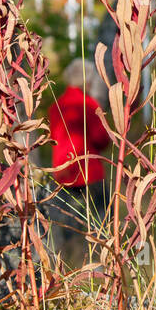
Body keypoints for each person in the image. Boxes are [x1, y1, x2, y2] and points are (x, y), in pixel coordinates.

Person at [43, 59, 112, 263]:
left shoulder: (56, 106)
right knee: (100, 225)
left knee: (63, 225)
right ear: (87, 81)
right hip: (89, 172)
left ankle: (62, 264)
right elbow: (101, 138)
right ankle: (99, 264)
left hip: (63, 174)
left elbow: (52, 138)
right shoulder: (89, 105)